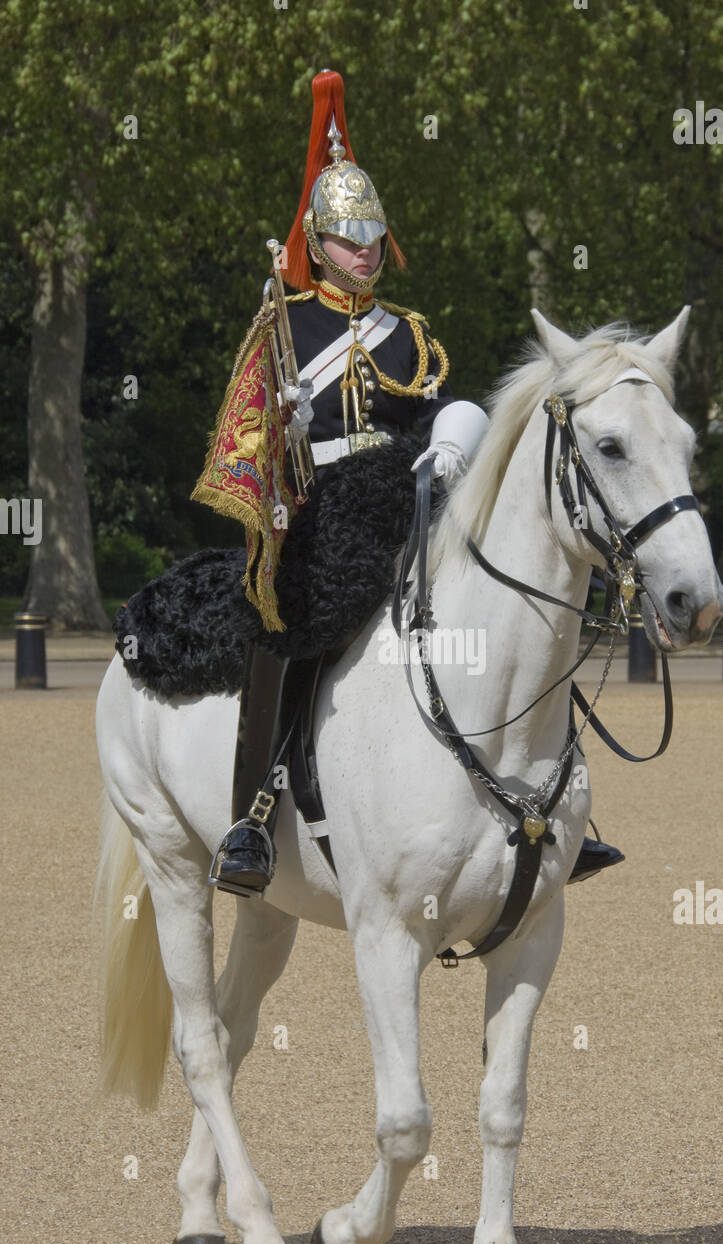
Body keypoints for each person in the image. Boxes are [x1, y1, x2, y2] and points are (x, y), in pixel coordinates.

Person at [207, 70, 622, 897]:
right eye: (347, 238)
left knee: (518, 610)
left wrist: (447, 451)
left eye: (372, 237)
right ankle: (252, 816)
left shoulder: (409, 334)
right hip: (319, 511)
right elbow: (238, 437)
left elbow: (437, 418)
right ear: (318, 242)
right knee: (281, 630)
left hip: (408, 502)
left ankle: (559, 803)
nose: (362, 251)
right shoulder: (281, 326)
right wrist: (282, 426)